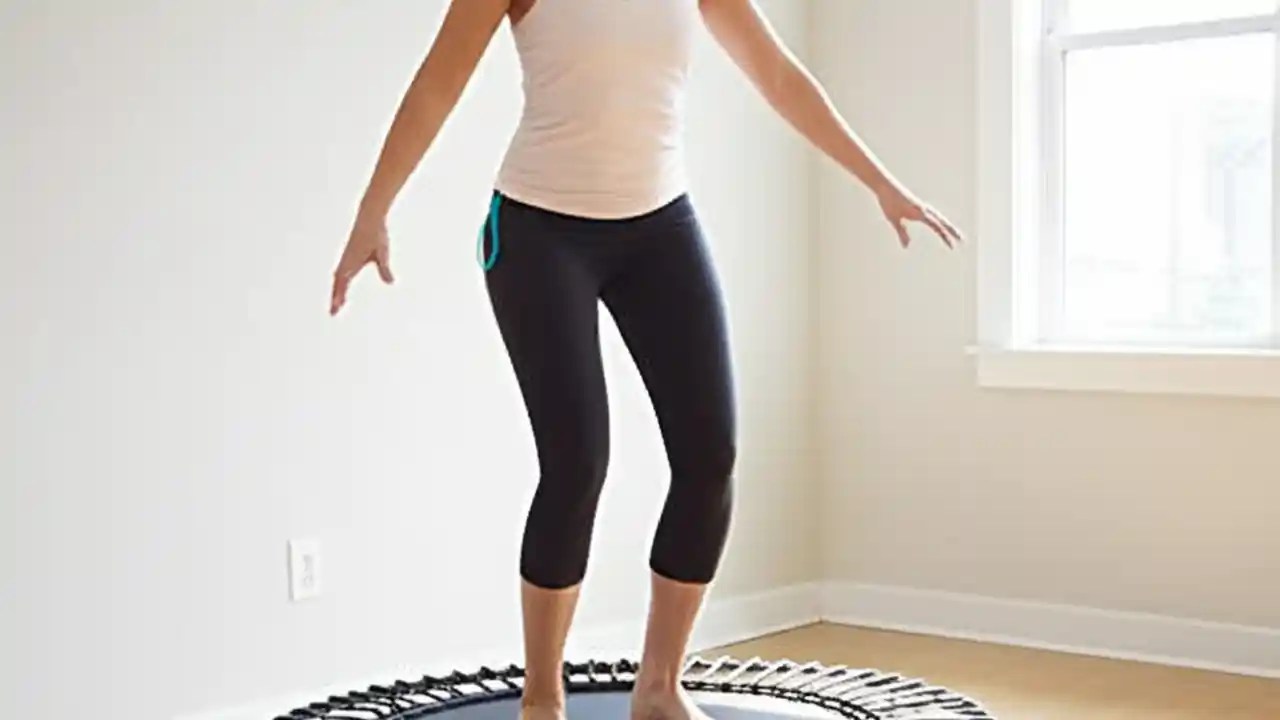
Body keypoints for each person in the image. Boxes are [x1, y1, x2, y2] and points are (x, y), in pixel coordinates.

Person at [328, 2, 962, 720]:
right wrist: (373, 210)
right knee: (576, 467)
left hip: (659, 225)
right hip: (540, 232)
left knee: (710, 456)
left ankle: (659, 687)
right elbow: (437, 83)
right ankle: (542, 699)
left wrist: (879, 181)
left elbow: (777, 75)